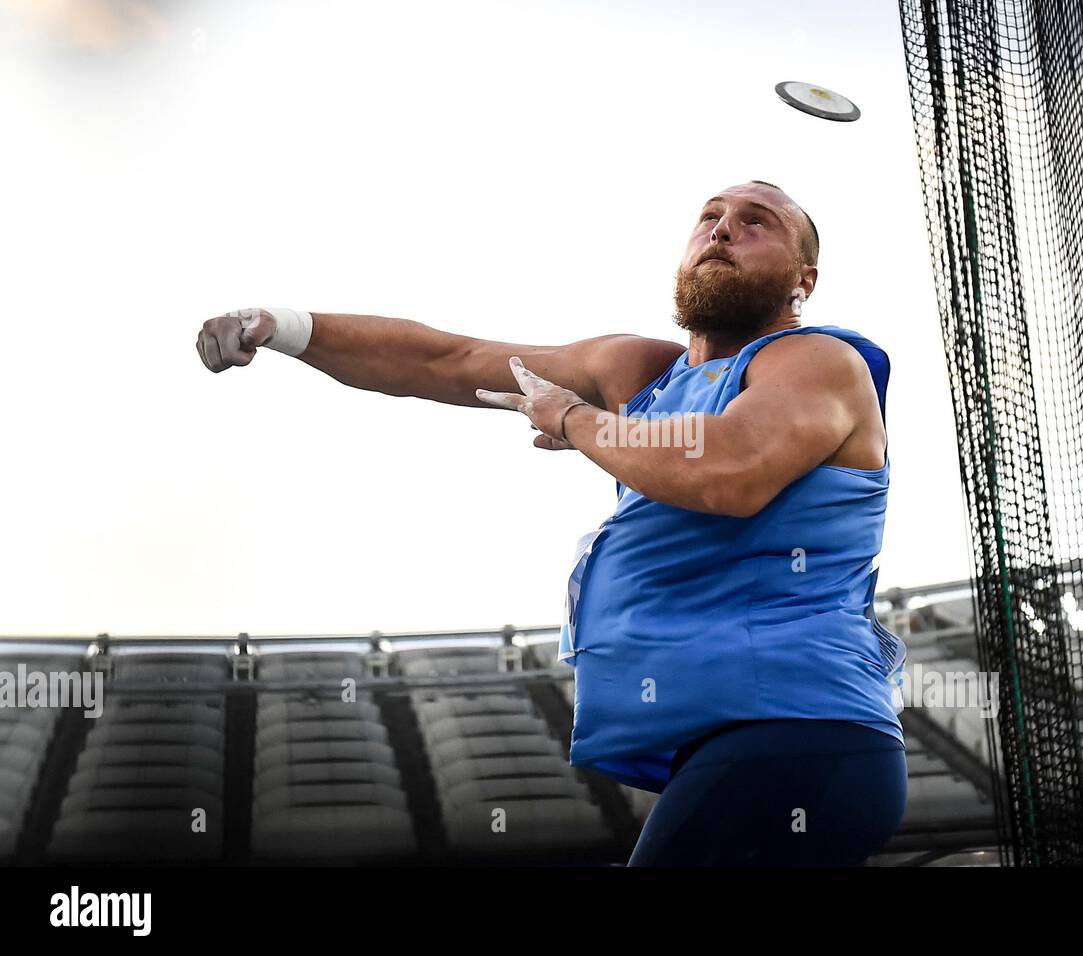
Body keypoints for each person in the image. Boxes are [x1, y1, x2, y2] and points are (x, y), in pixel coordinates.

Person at [195, 179, 908, 866]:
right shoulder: (641, 371)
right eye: (710, 215)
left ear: (802, 281)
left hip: (804, 733)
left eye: (758, 222)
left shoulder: (818, 361)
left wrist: (575, 418)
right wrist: (281, 326)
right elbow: (447, 358)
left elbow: (728, 471)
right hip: (748, 747)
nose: (722, 229)